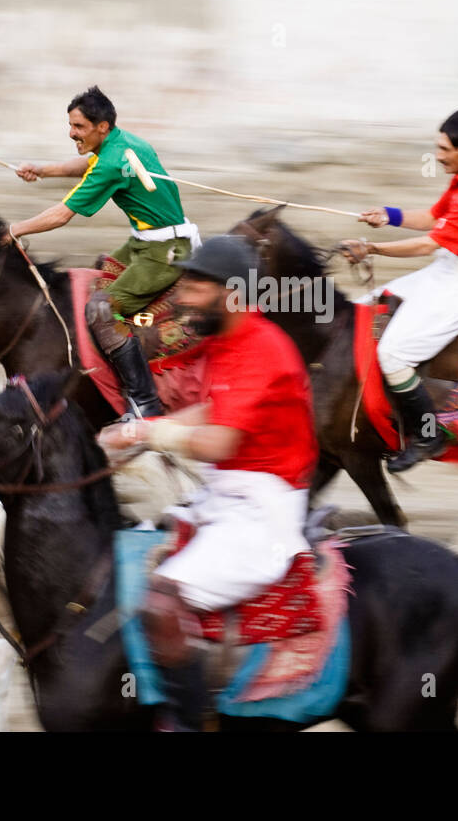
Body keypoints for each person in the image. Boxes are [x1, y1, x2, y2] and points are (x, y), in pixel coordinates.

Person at [98, 236, 317, 731]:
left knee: (162, 598)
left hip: (263, 505)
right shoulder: (226, 342)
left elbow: (218, 441)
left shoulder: (263, 348)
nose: (182, 296)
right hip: (223, 491)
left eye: (198, 286)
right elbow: (216, 410)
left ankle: (192, 721)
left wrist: (152, 431)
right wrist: (133, 436)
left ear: (233, 296)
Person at [5, 86, 200, 418]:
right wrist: (42, 169)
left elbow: (62, 214)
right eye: (71, 125)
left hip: (166, 249)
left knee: (100, 310)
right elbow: (85, 165)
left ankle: (144, 401)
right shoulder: (122, 143)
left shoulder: (112, 161)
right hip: (144, 240)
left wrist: (14, 230)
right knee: (103, 267)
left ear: (102, 127)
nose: (71, 133)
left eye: (78, 127)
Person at [339, 110, 458, 473]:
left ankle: (427, 435)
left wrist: (372, 248)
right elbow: (435, 217)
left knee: (393, 355)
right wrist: (388, 215)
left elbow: (428, 244)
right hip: (442, 272)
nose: (438, 155)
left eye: (444, 149)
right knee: (362, 307)